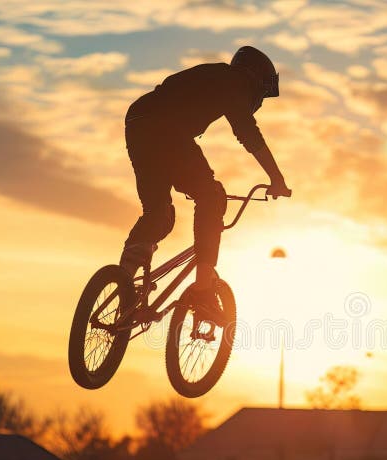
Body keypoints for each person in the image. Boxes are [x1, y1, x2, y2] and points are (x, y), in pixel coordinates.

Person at [120, 46, 291, 321]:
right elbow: (247, 133)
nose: (259, 99)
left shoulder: (215, 77)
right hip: (167, 129)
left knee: (159, 214)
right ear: (255, 78)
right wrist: (277, 178)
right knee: (211, 196)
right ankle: (202, 292)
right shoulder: (234, 82)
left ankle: (124, 283)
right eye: (262, 92)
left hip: (138, 123)